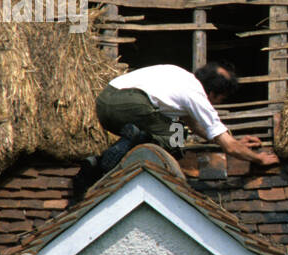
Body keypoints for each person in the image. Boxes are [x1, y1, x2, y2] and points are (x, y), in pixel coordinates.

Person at [72, 61, 277, 200]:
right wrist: (259, 159)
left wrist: (235, 141)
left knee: (176, 127)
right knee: (178, 138)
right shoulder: (196, 95)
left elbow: (199, 126)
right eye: (220, 99)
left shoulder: (179, 75)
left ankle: (99, 164)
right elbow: (227, 147)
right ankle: (138, 137)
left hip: (105, 104)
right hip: (132, 105)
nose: (216, 103)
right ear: (213, 93)